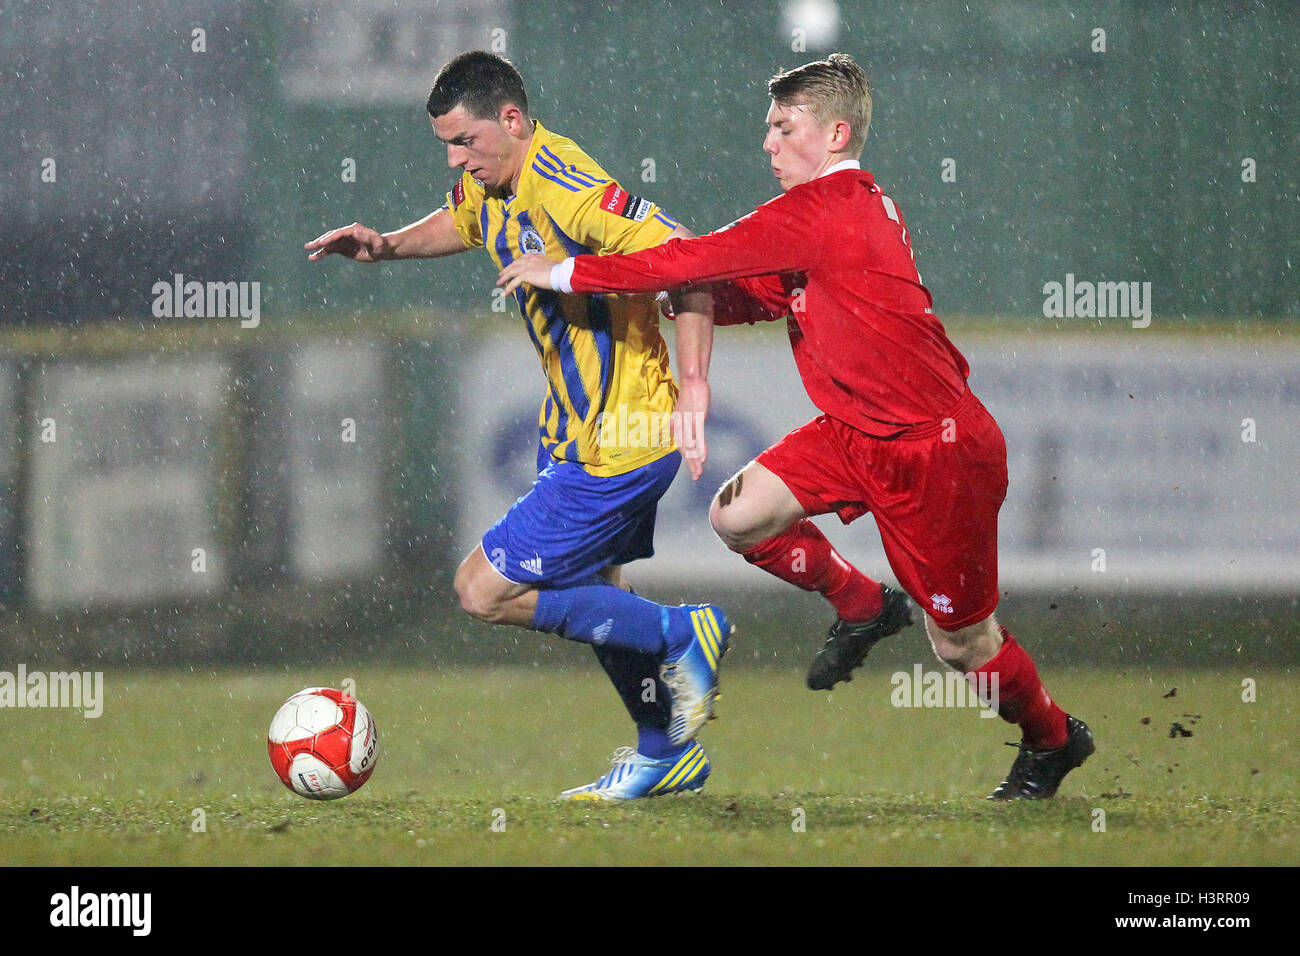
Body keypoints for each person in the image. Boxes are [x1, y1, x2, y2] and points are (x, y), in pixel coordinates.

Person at [499, 53, 1094, 800]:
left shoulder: (825, 208)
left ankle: (1052, 740)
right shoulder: (830, 217)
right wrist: (674, 304)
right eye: (768, 127)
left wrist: (562, 273)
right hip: (852, 433)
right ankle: (864, 604)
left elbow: (692, 257)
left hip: (935, 452)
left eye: (785, 127)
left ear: (836, 133)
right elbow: (741, 289)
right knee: (738, 514)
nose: (769, 142)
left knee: (961, 644)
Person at [304, 51, 730, 801]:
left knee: (482, 590)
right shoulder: (488, 187)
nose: (455, 159)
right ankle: (667, 753)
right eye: (445, 145)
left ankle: (680, 635)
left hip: (622, 438)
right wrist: (387, 245)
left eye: (465, 141)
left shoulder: (565, 187)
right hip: (576, 430)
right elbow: (463, 222)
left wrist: (693, 384)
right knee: (599, 593)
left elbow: (691, 261)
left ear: (512, 120)